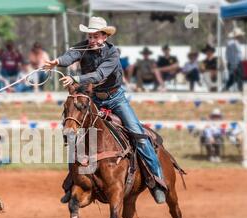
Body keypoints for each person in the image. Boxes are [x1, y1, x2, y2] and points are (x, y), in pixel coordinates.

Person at [44, 16, 167, 204]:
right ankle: (73, 181)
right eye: (90, 36)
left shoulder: (113, 53)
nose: (92, 40)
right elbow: (71, 56)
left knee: (138, 134)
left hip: (116, 99)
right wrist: (57, 62)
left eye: (95, 36)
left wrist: (76, 79)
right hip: (95, 99)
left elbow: (100, 74)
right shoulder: (83, 47)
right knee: (77, 136)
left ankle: (156, 181)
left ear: (104, 36)